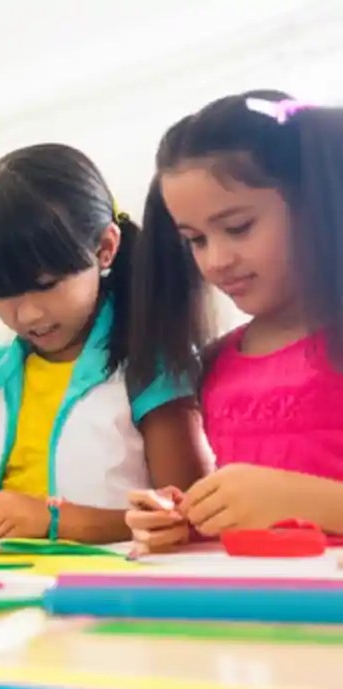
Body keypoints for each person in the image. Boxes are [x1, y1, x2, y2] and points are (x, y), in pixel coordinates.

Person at [0, 143, 208, 557]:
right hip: (5, 593)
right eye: (3, 295)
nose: (27, 313)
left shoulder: (149, 365)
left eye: (45, 284)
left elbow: (187, 519)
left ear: (105, 248)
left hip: (112, 598)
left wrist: (57, 521)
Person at [126, 90, 343, 553]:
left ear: (314, 201)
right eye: (196, 240)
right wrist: (187, 519)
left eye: (238, 227)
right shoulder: (216, 362)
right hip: (254, 610)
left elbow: (275, 501)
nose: (216, 261)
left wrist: (306, 500)